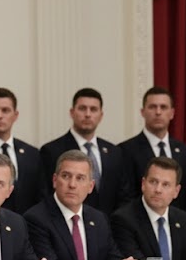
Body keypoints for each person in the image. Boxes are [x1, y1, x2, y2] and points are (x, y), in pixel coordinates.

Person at [25, 150, 144, 260]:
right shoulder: (36, 218)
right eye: (66, 176)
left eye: (80, 178)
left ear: (90, 186)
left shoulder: (99, 218)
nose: (72, 185)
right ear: (54, 180)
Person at [119, 86, 186, 226]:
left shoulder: (185, 152)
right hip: (142, 229)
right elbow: (125, 198)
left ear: (172, 113)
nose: (158, 112)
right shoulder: (125, 151)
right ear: (142, 112)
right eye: (152, 107)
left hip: (179, 230)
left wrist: (185, 226)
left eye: (163, 107)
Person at [39, 87, 131, 215]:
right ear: (72, 112)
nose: (88, 114)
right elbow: (46, 194)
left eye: (93, 109)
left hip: (109, 224)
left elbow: (124, 196)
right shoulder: (52, 151)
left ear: (101, 115)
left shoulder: (115, 152)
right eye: (82, 108)